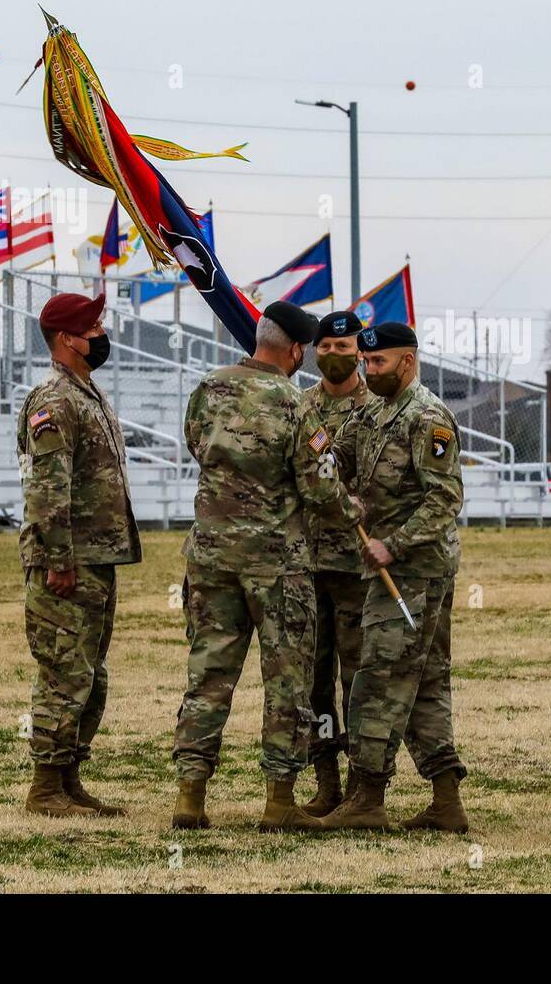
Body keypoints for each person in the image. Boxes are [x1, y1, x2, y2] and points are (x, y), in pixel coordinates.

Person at [171, 301, 362, 832]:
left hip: (210, 556)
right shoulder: (298, 406)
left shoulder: (209, 389)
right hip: (277, 565)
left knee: (208, 675)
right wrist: (354, 510)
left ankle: (191, 794)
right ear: (298, 350)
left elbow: (196, 445)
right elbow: (319, 487)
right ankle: (279, 800)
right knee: (287, 682)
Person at [318, 322, 468, 833]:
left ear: (406, 361)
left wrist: (394, 543)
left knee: (379, 679)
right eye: (366, 361)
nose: (368, 369)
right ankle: (447, 802)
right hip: (392, 569)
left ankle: (367, 798)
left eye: (377, 362)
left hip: (414, 572)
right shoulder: (373, 412)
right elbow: (337, 456)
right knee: (423, 681)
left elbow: (445, 499)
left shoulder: (427, 417)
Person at [17, 291, 140, 818]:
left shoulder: (85, 393)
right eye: (93, 327)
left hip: (97, 557)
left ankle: (69, 777)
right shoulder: (56, 400)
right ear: (68, 338)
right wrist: (59, 561)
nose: (101, 334)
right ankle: (45, 787)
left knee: (90, 674)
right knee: (64, 671)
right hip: (68, 562)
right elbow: (48, 490)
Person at [299, 310, 372, 817]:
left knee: (359, 679)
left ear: (358, 354)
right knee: (314, 682)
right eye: (324, 346)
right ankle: (325, 777)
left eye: (342, 347)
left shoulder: (379, 410)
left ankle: (360, 785)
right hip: (305, 562)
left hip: (356, 567)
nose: (332, 355)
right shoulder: (299, 407)